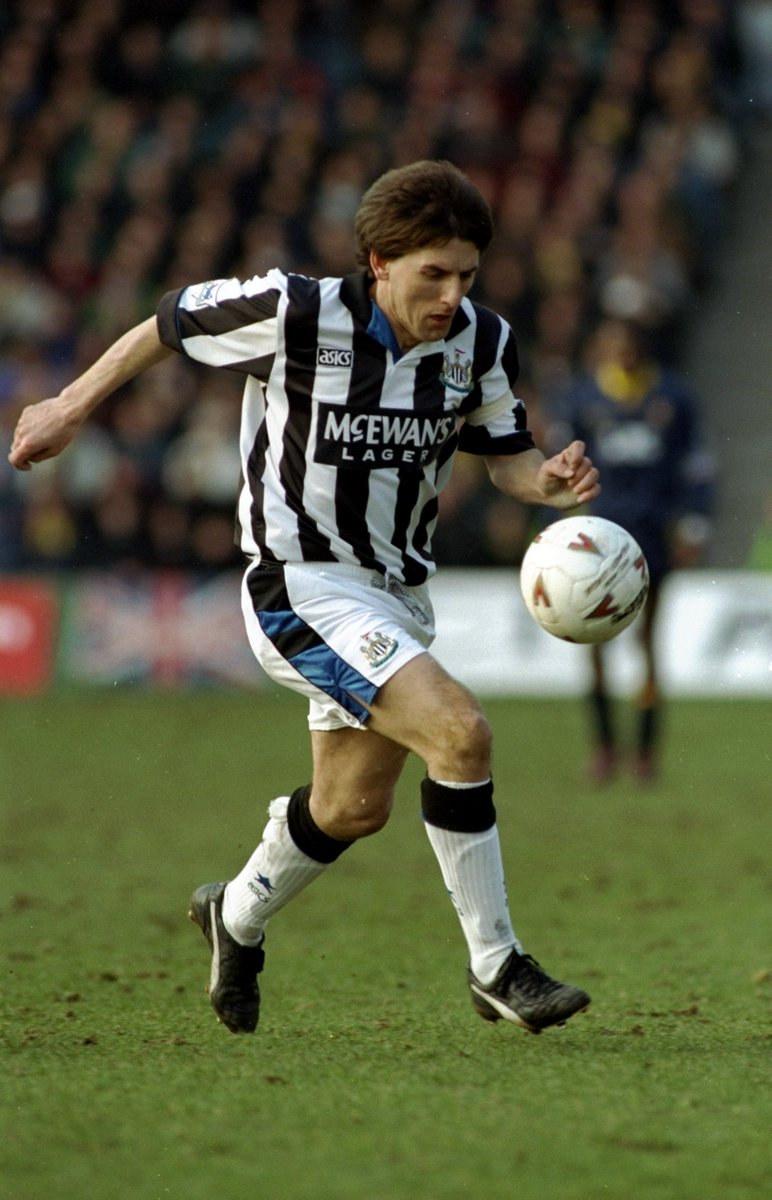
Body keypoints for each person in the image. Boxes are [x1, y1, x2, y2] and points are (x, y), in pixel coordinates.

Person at [9, 160, 600, 1036]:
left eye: (467, 275)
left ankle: (235, 915)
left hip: (399, 595)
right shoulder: (296, 311)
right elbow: (166, 323)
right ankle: (497, 965)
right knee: (460, 732)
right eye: (433, 273)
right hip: (300, 584)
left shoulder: (482, 342)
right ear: (379, 262)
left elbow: (505, 454)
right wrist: (68, 403)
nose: (452, 295)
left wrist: (546, 481)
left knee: (351, 808)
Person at [545, 316, 714, 784]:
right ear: (600, 349)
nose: (622, 353)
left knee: (647, 642)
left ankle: (644, 751)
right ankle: (604, 747)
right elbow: (559, 469)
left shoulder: (673, 396)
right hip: (597, 539)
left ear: (642, 347)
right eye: (612, 345)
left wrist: (693, 524)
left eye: (628, 344)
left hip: (652, 534)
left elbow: (697, 463)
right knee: (593, 643)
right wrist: (553, 524)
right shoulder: (582, 398)